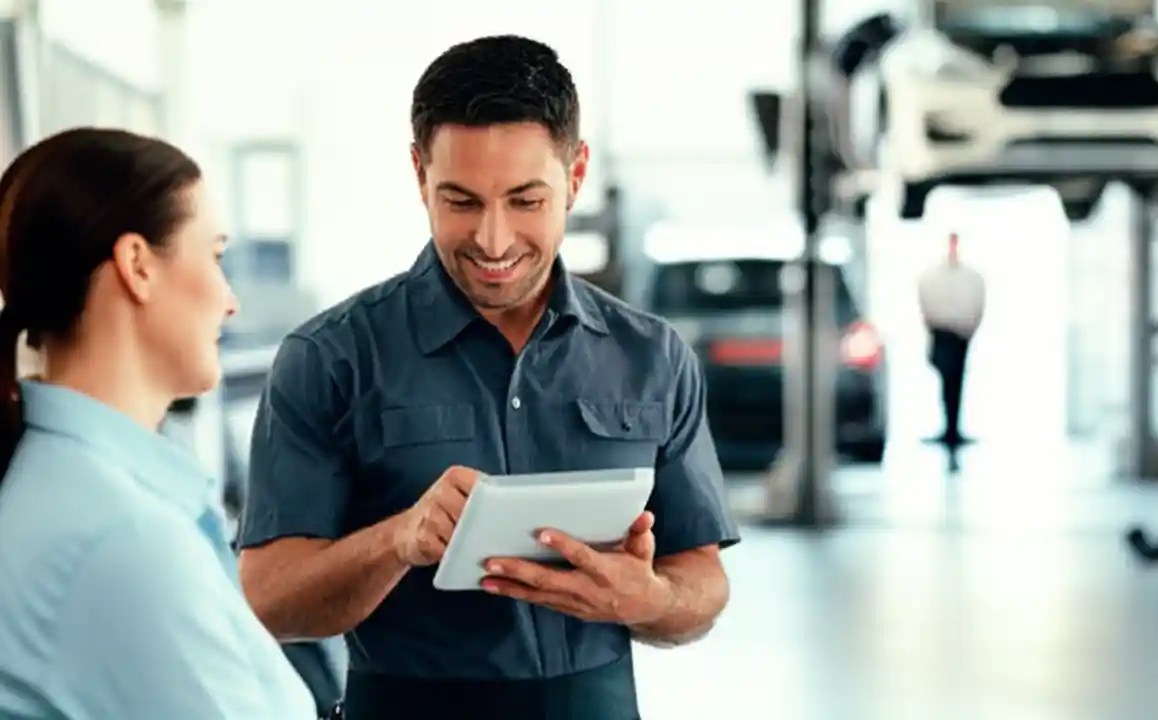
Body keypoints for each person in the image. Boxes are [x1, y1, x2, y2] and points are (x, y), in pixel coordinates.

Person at [238, 35, 740, 720]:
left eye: (526, 201)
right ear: (419, 174)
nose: (495, 241)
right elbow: (271, 601)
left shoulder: (652, 356)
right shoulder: (330, 358)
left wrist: (651, 600)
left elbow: (702, 578)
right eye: (462, 201)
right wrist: (397, 540)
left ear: (576, 172)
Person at [0, 129, 316, 718]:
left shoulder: (90, 493)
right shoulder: (115, 534)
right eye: (216, 257)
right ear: (138, 265)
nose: (230, 300)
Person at [917, 231, 985, 449]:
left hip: (960, 334)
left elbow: (977, 304)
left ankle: (952, 428)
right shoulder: (933, 276)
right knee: (947, 381)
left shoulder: (969, 277)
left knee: (955, 382)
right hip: (942, 331)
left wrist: (968, 328)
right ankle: (949, 427)